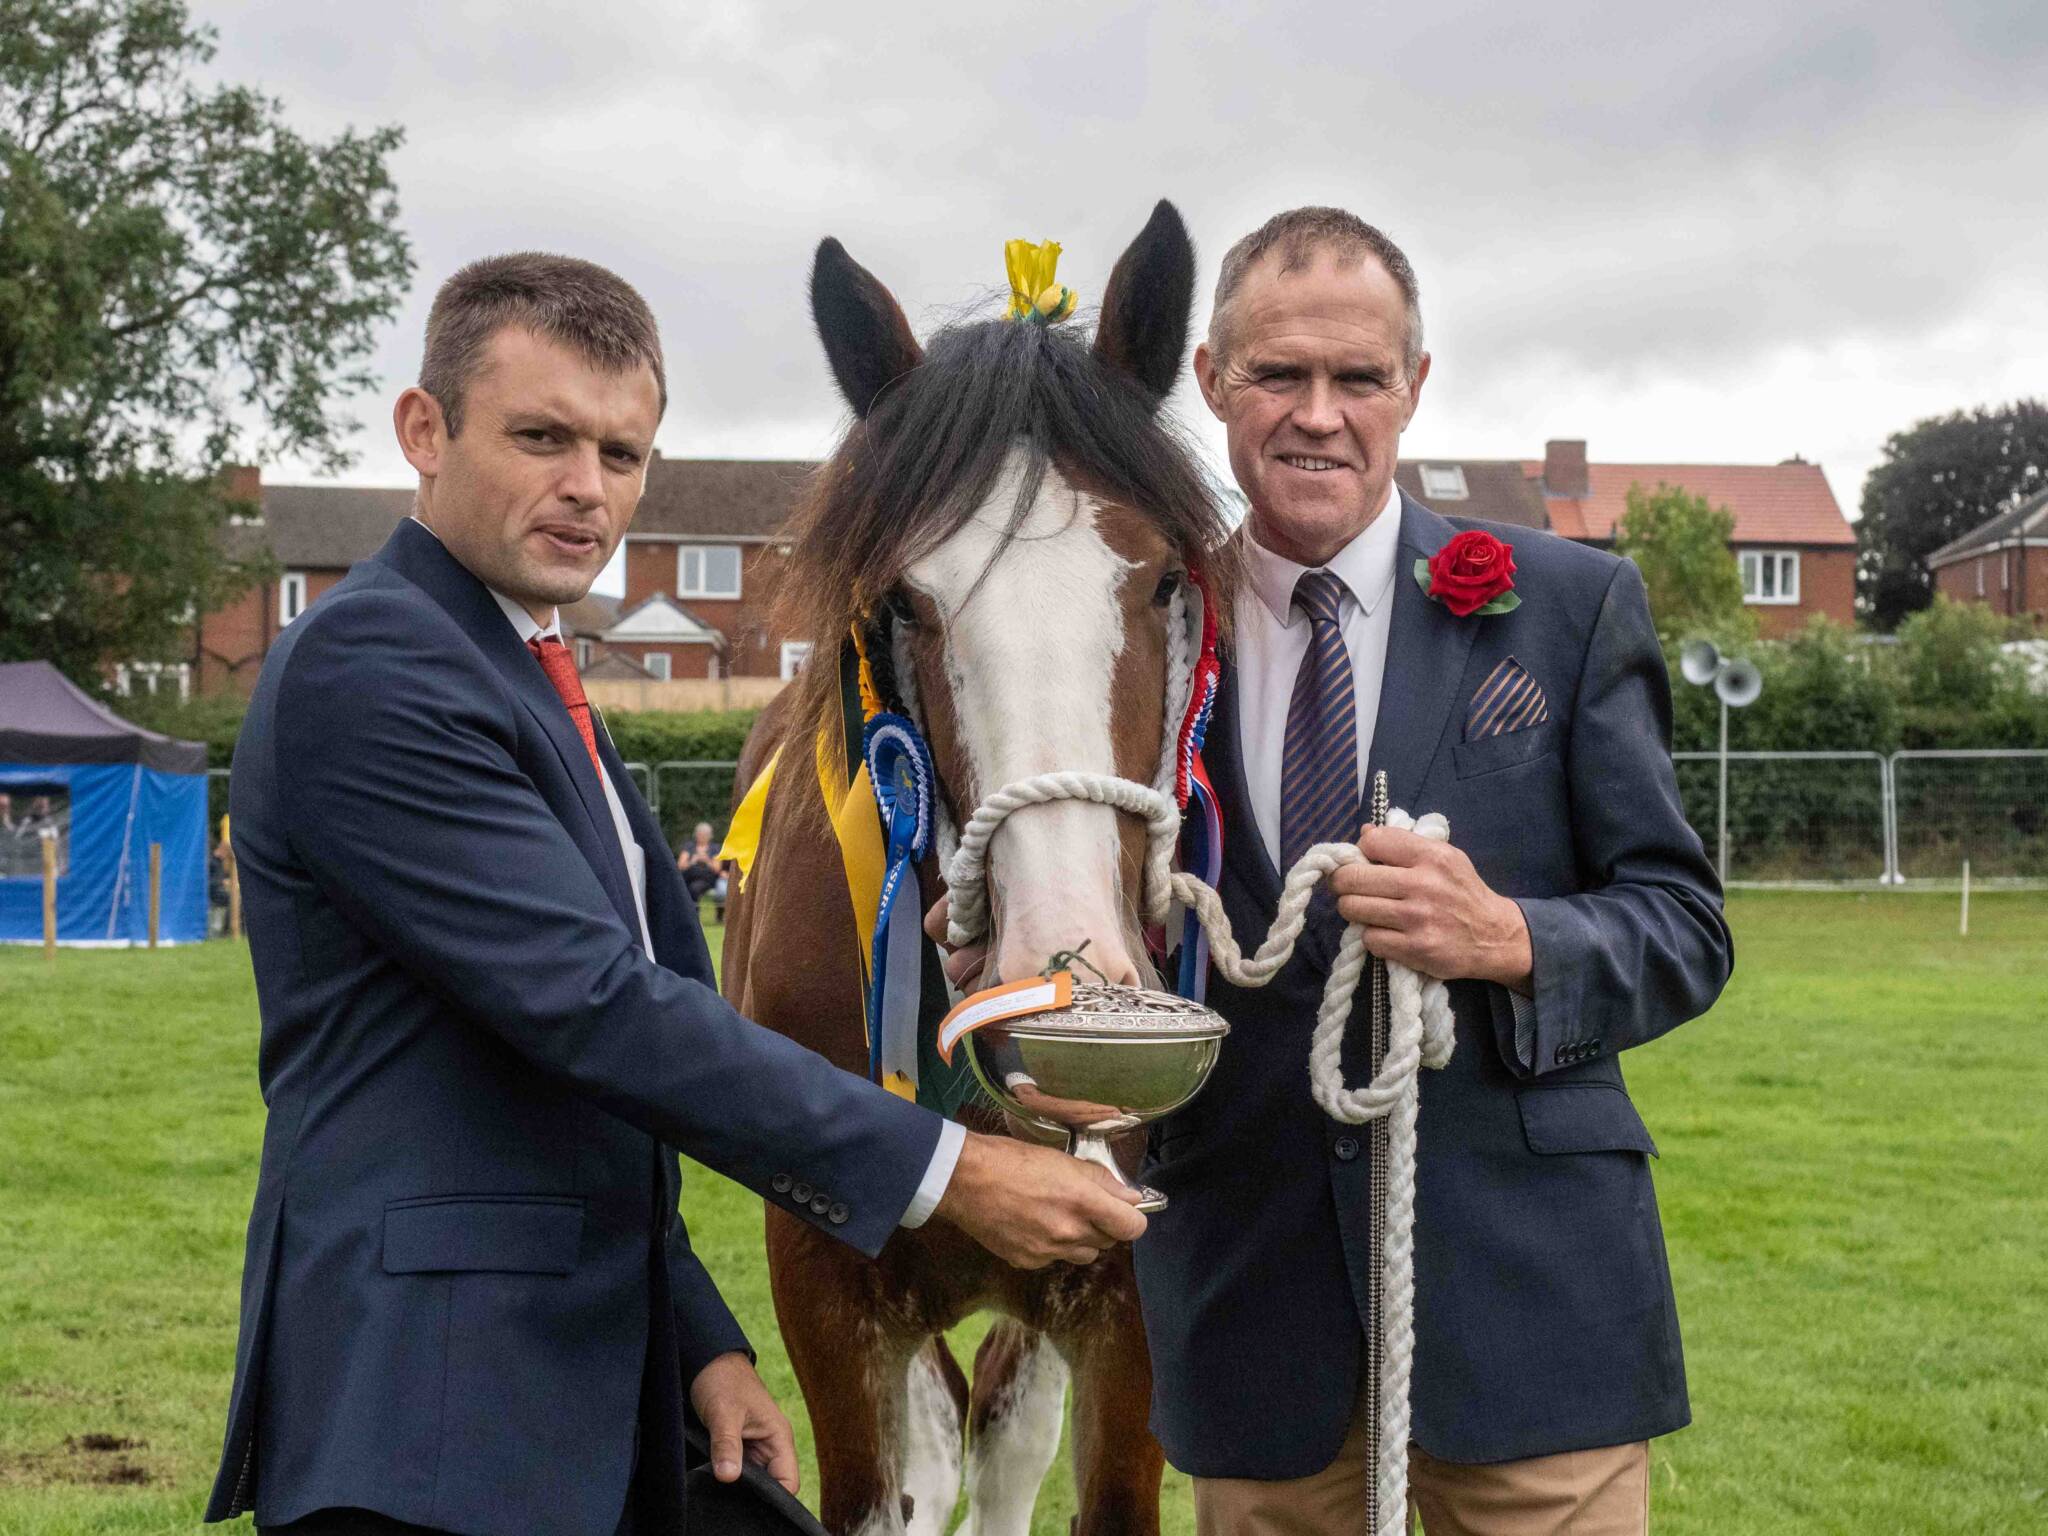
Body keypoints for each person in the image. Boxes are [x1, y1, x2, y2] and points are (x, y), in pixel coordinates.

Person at [206, 253, 1146, 1536]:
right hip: (427, 1404)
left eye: (621, 452)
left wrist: (700, 1338)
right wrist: (949, 1169)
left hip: (588, 1367)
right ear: (423, 432)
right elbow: (596, 1011)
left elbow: (620, 1045)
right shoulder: (376, 666)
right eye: (541, 438)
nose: (586, 489)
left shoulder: (525, 668)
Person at [1067, 207, 1727, 1534]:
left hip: (1529, 1314)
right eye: (1279, 376)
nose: (1320, 416)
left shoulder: (1565, 607)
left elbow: (1683, 928)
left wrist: (1511, 939)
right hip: (1251, 1313)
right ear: (1212, 382)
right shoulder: (1141, 624)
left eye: (1359, 378)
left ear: (1413, 389)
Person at [676, 821, 727, 917]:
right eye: (700, 834)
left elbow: (717, 869)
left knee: (694, 888)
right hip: (688, 876)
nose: (702, 837)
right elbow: (680, 866)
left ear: (709, 836)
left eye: (705, 835)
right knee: (681, 885)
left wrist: (707, 860)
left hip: (707, 879)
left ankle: (694, 915)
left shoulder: (715, 848)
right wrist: (693, 861)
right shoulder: (689, 847)